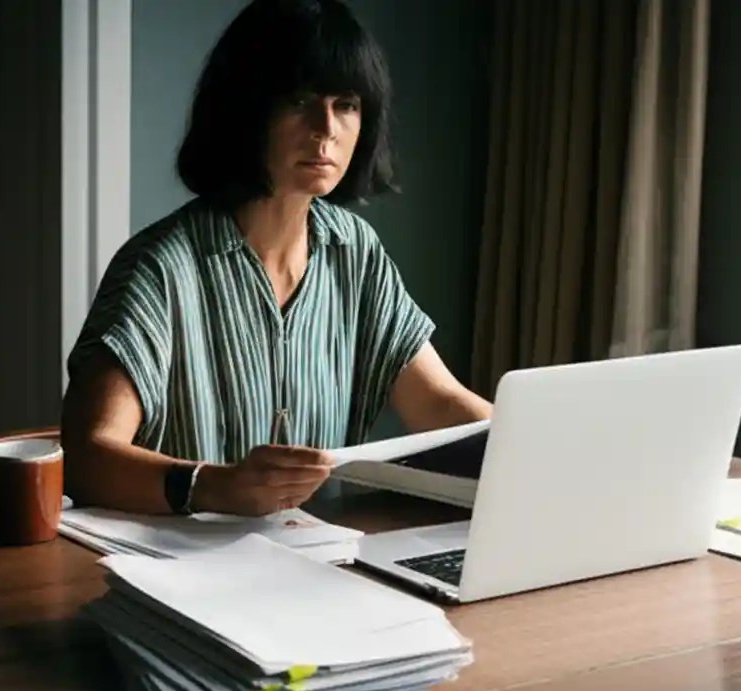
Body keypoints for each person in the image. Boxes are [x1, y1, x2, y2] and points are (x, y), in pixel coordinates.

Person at [61, 0, 492, 518]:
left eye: (346, 104)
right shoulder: (160, 267)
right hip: (181, 573)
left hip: (318, 565)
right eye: (300, 100)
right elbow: (88, 456)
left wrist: (534, 449)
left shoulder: (355, 252)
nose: (326, 127)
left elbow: (440, 403)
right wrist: (216, 487)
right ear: (245, 110)